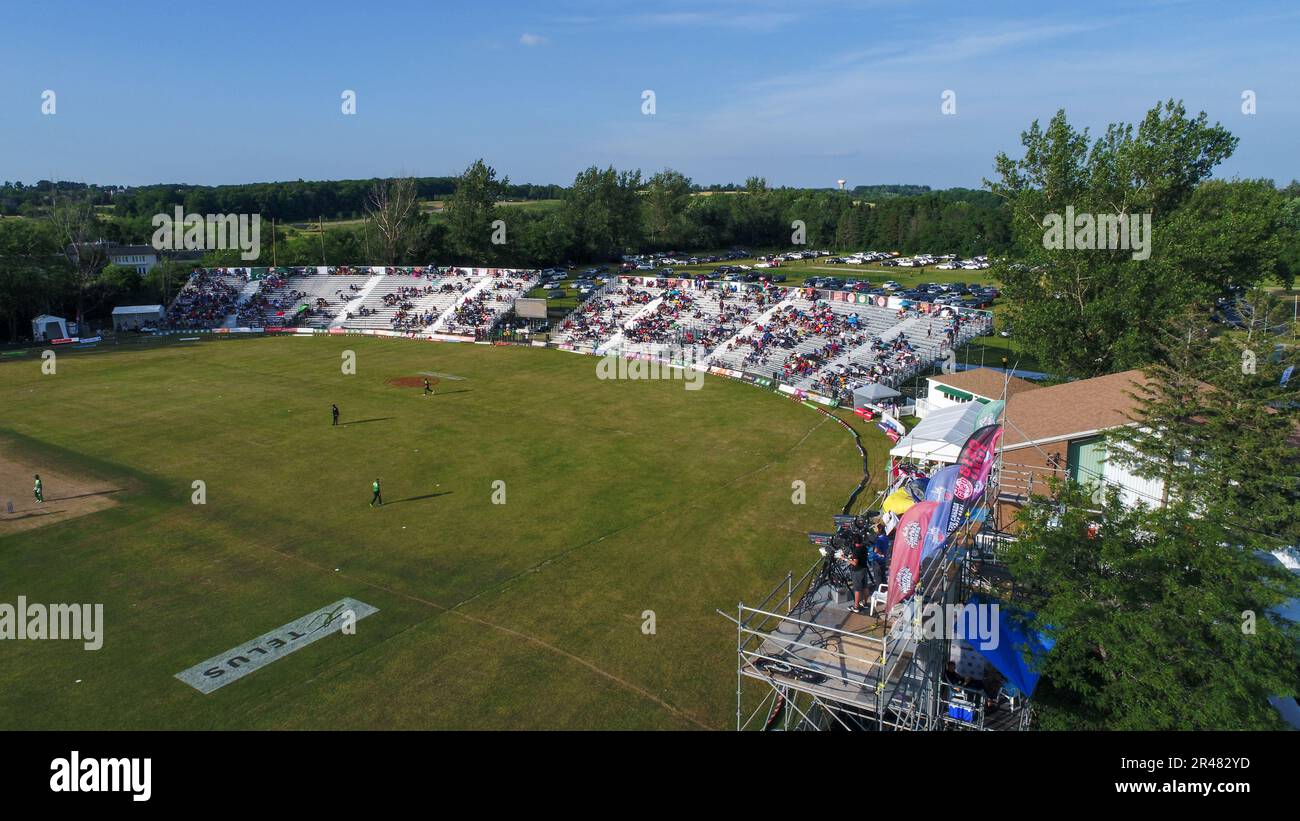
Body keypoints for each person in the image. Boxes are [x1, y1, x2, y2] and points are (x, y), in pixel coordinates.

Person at [846, 539, 872, 614]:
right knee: (865, 587)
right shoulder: (864, 548)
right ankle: (865, 603)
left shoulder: (856, 550)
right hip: (864, 569)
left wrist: (846, 559)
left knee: (857, 589)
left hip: (857, 571)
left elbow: (855, 563)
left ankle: (856, 607)